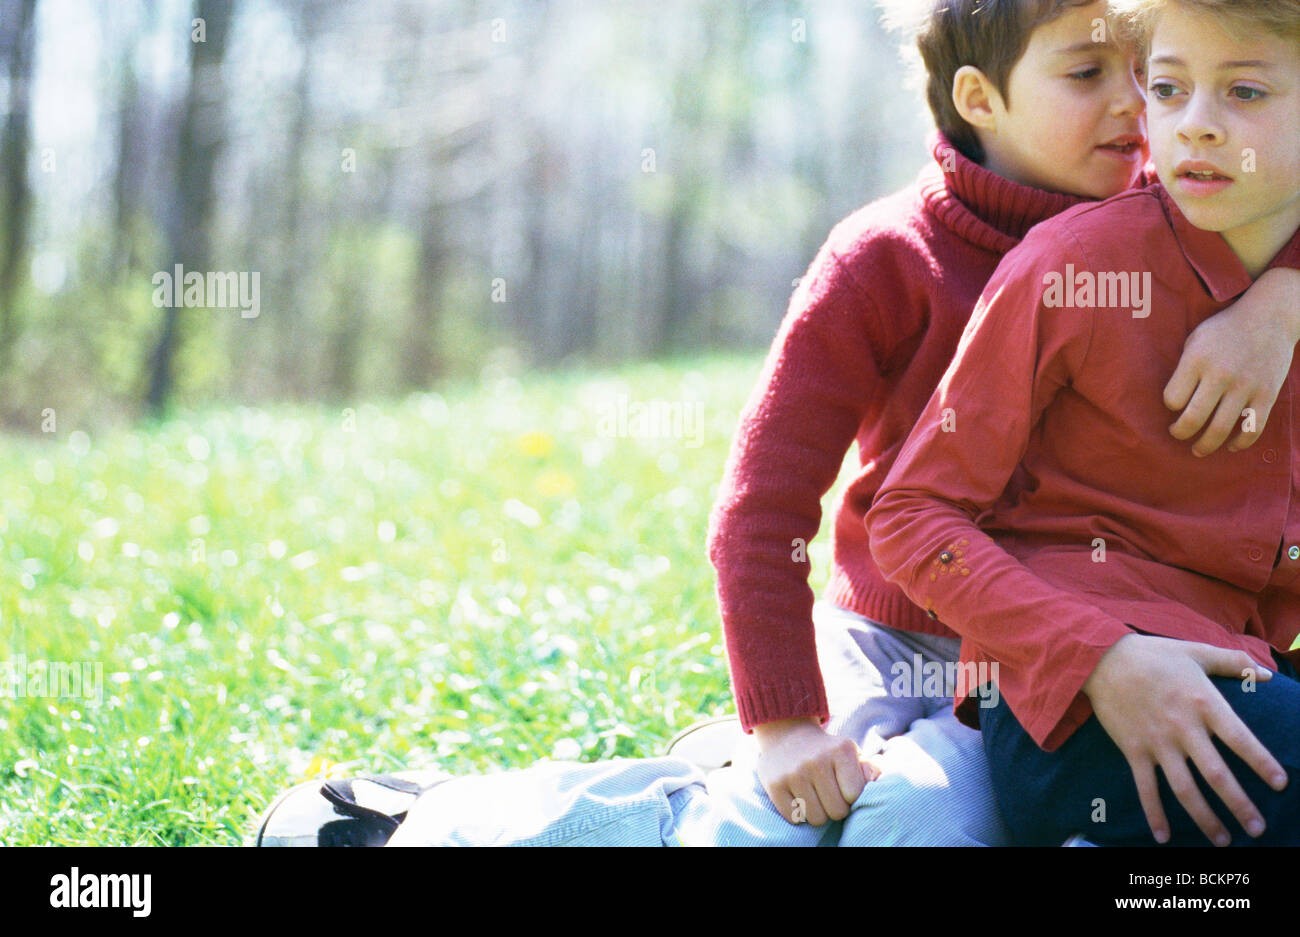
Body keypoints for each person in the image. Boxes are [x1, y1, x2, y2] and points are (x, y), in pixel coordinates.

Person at [254, 0, 1300, 847]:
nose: (1143, 109)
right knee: (794, 820)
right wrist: (787, 717)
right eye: (1089, 76)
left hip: (1030, 647)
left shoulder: (1182, 206)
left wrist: (1280, 298)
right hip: (899, 639)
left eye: (1142, 75)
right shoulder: (885, 260)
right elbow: (762, 510)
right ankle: (437, 826)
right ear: (980, 97)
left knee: (941, 821)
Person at [866, 0, 1300, 847]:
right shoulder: (1071, 267)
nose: (1195, 128)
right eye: (1168, 90)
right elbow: (912, 516)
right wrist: (1099, 655)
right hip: (1074, 699)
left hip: (1242, 662)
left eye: (1244, 92)